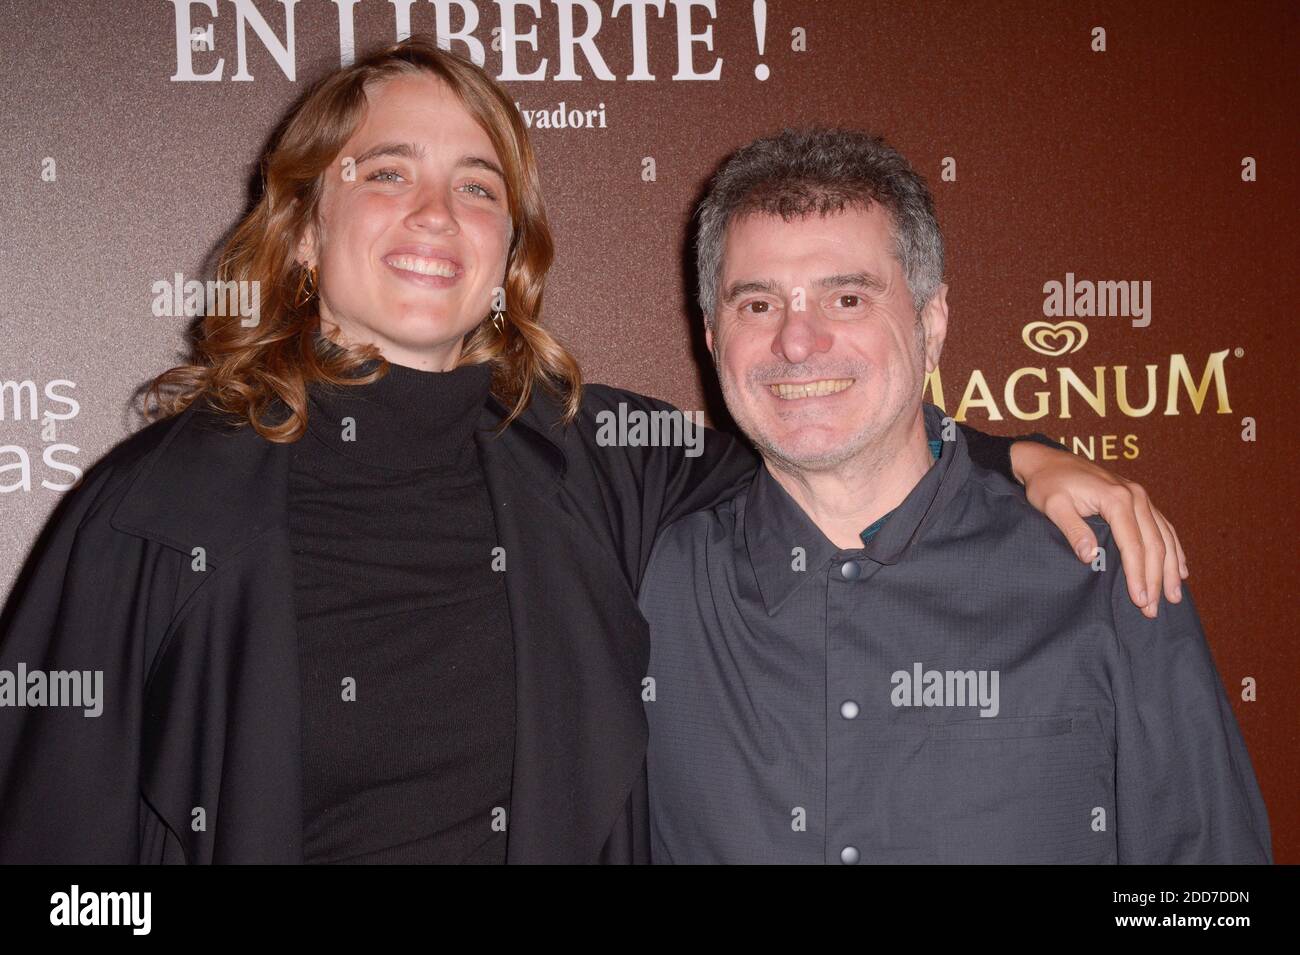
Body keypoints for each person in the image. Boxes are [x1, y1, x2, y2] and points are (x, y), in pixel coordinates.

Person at [0, 38, 1185, 864]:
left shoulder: (592, 457)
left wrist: (1008, 453)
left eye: (476, 186)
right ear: (305, 227)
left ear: (507, 245)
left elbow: (817, 423)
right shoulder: (153, 512)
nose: (434, 214)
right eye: (386, 172)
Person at [641, 127, 1270, 864]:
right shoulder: (651, 581)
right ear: (713, 337)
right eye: (757, 305)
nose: (797, 342)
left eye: (847, 297)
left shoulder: (1098, 564)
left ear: (931, 324)